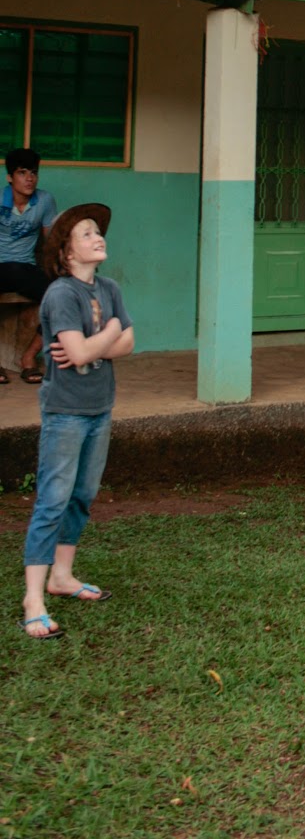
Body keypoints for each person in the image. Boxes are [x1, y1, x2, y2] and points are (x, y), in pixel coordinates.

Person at [20, 203, 133, 640]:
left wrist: (95, 344)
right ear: (66, 253)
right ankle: (33, 599)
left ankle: (62, 576)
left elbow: (128, 343)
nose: (97, 237)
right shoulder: (61, 294)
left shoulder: (109, 287)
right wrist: (110, 333)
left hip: (100, 406)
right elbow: (90, 348)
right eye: (86, 233)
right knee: (53, 499)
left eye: (97, 231)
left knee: (82, 496)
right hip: (65, 412)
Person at [0, 147, 57, 385]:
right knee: (11, 270)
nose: (29, 178)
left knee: (59, 298)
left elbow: (51, 242)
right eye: (22, 173)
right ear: (10, 177)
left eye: (33, 173)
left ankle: (28, 358)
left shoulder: (44, 201)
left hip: (25, 269)